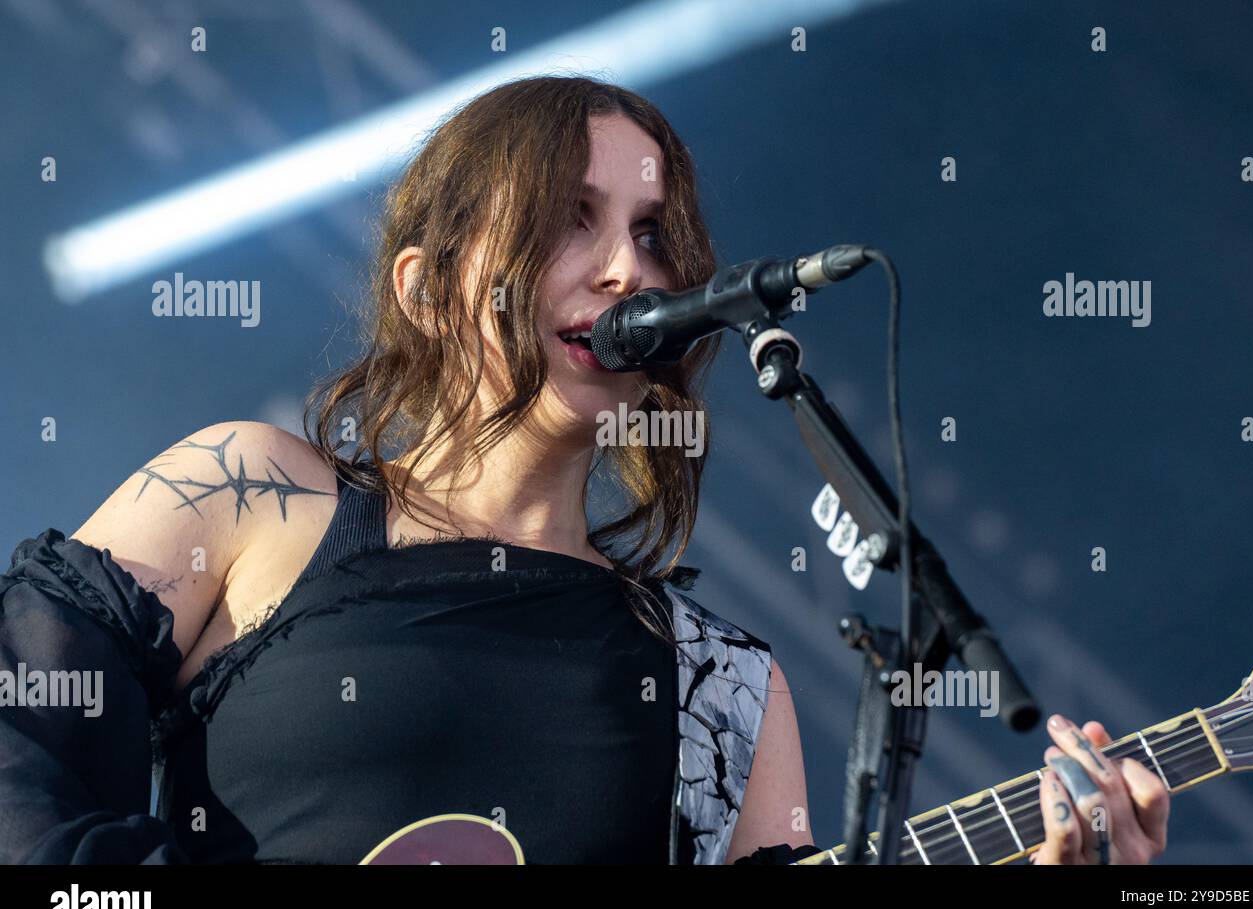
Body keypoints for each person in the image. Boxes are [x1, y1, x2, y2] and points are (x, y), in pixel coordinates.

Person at [0, 76, 1168, 865]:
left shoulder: (720, 687)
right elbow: (21, 769)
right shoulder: (249, 493)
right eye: (573, 218)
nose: (628, 272)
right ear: (428, 286)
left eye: (655, 233)